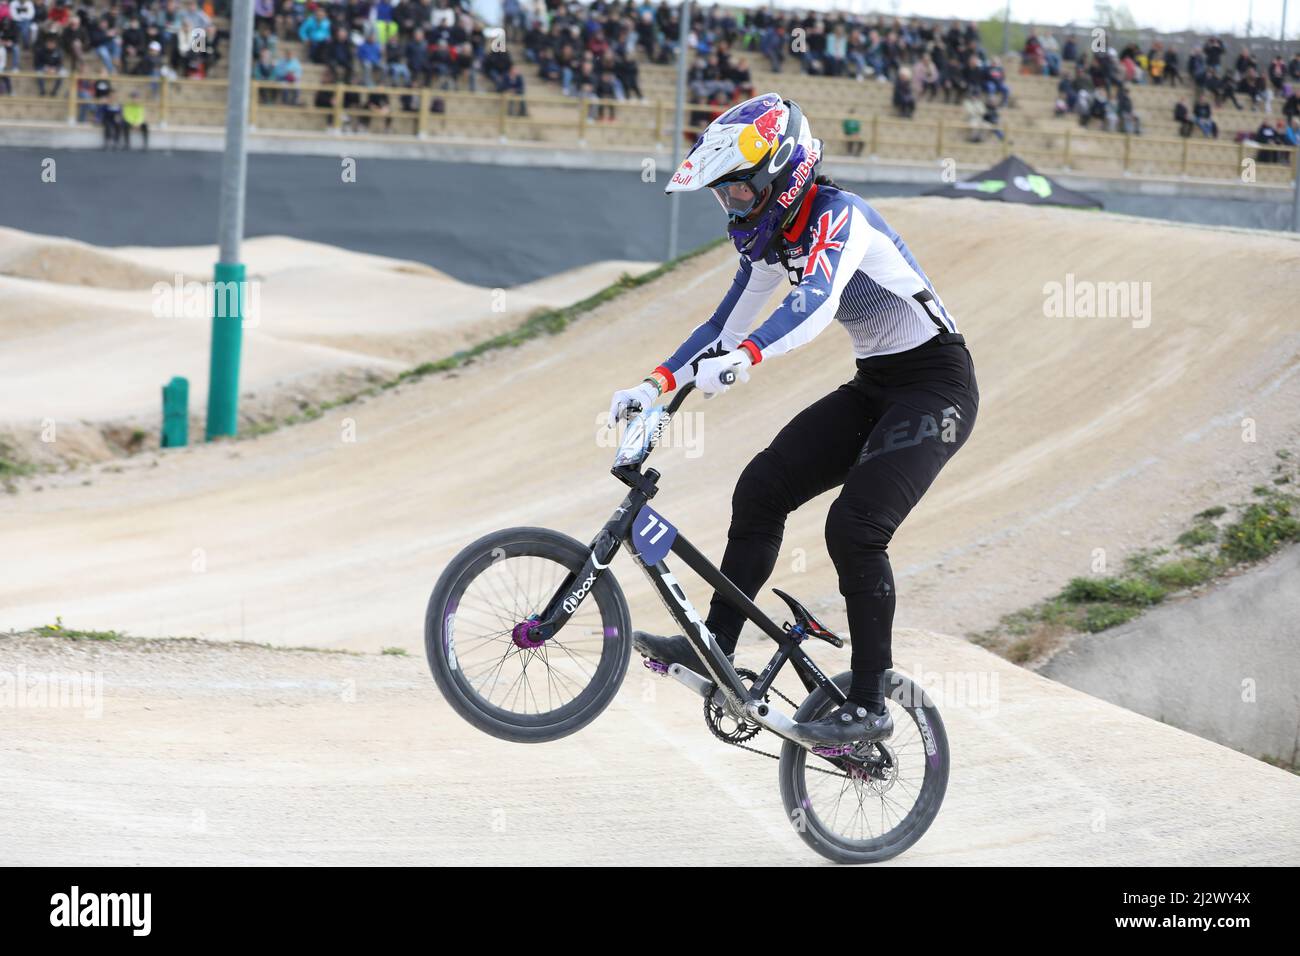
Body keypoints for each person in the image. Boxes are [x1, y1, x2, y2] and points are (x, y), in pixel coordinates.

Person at [608, 94, 978, 746]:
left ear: (787, 173)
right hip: (878, 385)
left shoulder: (842, 217)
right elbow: (728, 321)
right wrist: (657, 380)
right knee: (762, 487)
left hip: (936, 389)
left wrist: (746, 358)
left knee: (856, 527)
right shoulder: (779, 237)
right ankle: (714, 642)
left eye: (743, 189)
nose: (735, 204)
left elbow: (813, 304)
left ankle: (871, 703)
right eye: (724, 196)